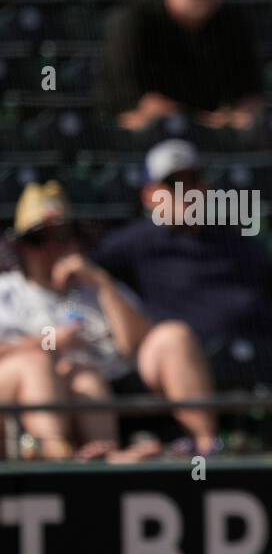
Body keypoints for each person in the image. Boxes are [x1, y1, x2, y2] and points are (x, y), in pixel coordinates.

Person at [93, 140, 272, 391]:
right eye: (173, 184)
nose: (186, 192)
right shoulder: (133, 244)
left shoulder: (233, 239)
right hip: (199, 366)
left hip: (268, 354)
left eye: (192, 180)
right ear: (149, 195)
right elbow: (83, 277)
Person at [0, 182, 220, 459]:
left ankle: (206, 448)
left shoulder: (97, 284)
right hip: (47, 391)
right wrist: (46, 343)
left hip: (116, 383)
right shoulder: (6, 292)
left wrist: (103, 284)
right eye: (40, 239)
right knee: (59, 370)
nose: (54, 248)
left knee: (174, 335)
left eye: (63, 236)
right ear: (21, 248)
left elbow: (135, 344)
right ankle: (68, 459)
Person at [100, 0, 264, 132]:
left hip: (214, 143)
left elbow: (250, 94)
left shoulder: (233, 23)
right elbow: (131, 102)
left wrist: (242, 114)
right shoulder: (134, 22)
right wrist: (198, 120)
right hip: (147, 142)